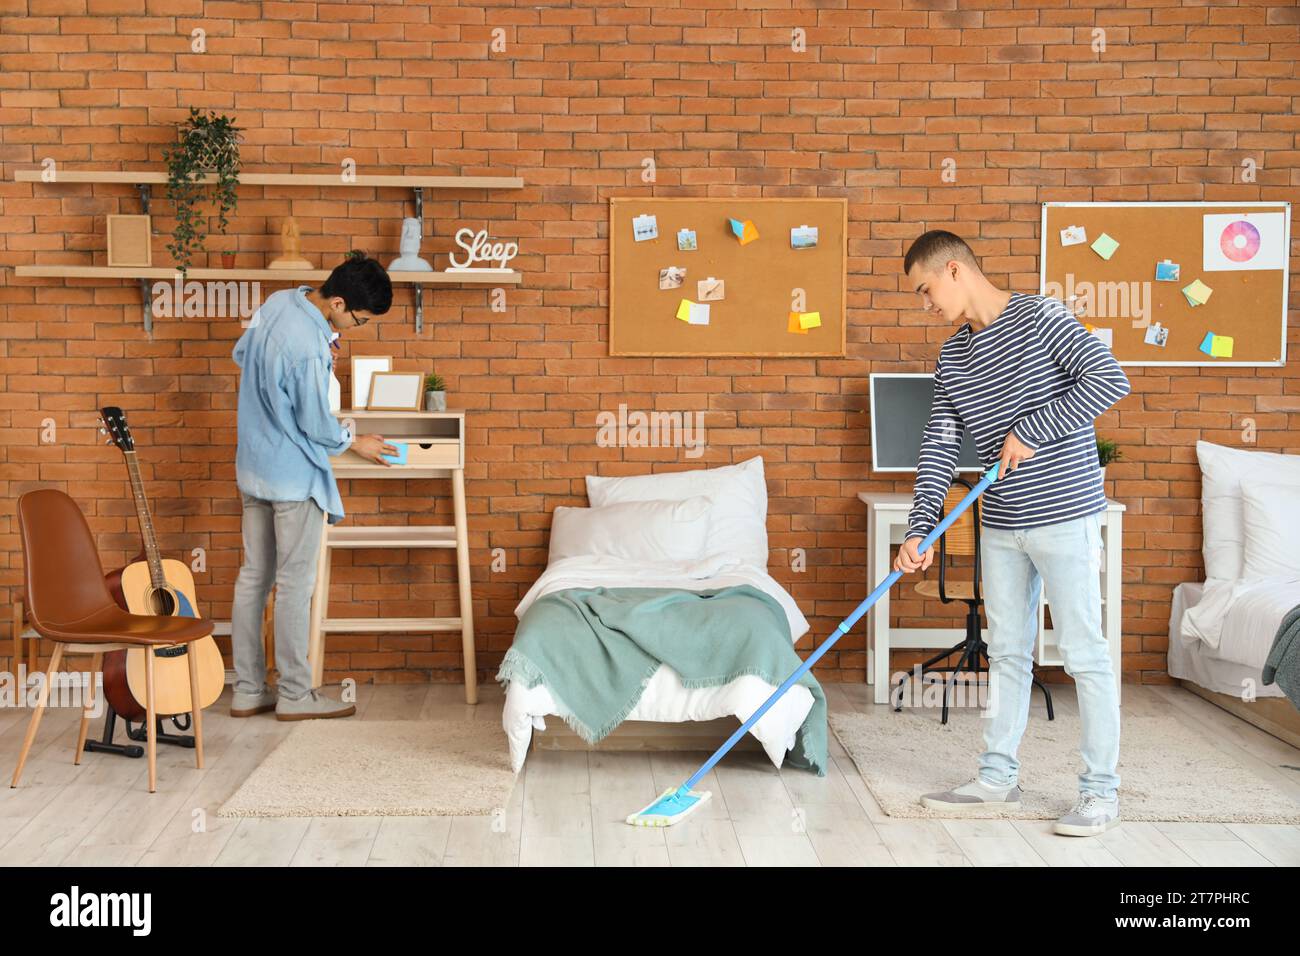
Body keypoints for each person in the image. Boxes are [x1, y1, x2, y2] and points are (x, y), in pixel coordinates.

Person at [895, 230, 1131, 837]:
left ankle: (1100, 793)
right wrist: (921, 530)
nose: (926, 305)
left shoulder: (1042, 317)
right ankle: (998, 778)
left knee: (1084, 654)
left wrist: (1033, 430)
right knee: (1005, 654)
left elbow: (1108, 379)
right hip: (1000, 525)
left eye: (926, 291)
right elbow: (941, 447)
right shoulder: (953, 358)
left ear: (954, 270)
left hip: (1066, 516)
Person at [229, 253, 397, 721]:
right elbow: (315, 422)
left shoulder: (281, 301)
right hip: (291, 476)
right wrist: (354, 441)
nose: (355, 328)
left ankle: (246, 690)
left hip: (253, 466)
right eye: (358, 320)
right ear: (339, 302)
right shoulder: (307, 344)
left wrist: (322, 355)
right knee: (293, 586)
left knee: (253, 578)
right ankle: (296, 696)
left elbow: (241, 354)